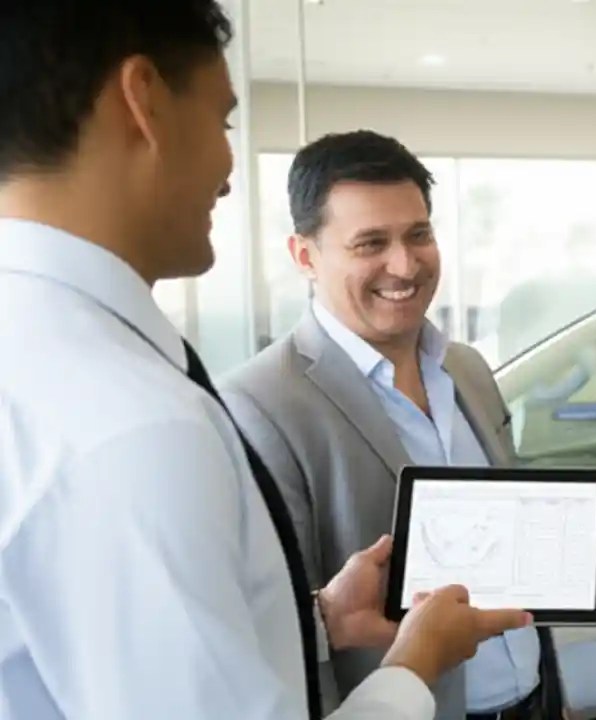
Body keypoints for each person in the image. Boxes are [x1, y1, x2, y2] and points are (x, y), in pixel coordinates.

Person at [0, 3, 529, 719]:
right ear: (144, 100)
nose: (227, 170)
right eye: (224, 121)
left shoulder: (45, 355)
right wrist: (414, 663)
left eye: (418, 235)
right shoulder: (135, 423)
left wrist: (319, 620)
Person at [220, 130, 564, 720]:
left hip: (534, 699)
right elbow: (271, 621)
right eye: (370, 243)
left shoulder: (468, 369)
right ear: (305, 256)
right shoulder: (259, 404)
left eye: (418, 235)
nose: (404, 265)